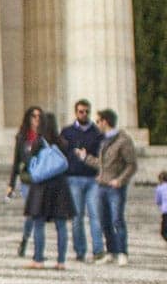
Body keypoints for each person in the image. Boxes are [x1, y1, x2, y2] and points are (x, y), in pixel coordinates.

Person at [21, 110, 76, 269]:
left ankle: (38, 259)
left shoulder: (38, 142)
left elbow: (30, 161)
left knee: (38, 224)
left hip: (41, 187)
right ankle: (61, 261)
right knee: (61, 225)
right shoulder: (63, 142)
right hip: (60, 187)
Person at [88, 108, 138, 265]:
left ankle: (122, 252)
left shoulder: (123, 140)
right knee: (105, 221)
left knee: (117, 220)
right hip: (102, 185)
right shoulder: (104, 141)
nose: (97, 124)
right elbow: (102, 164)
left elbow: (131, 165)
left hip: (115, 187)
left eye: (98, 121)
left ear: (105, 121)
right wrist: (86, 158)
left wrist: (120, 180)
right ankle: (111, 251)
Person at [60, 99, 106, 263]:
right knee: (77, 217)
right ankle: (80, 251)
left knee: (95, 215)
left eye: (86, 111)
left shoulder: (97, 133)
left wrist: (87, 157)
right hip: (73, 178)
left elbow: (102, 157)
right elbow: (61, 154)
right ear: (76, 112)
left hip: (92, 179)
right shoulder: (67, 132)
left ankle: (98, 250)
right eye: (81, 111)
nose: (84, 114)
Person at [6, 106, 44, 257]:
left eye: (39, 116)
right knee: (33, 212)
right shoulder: (22, 137)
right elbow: (16, 161)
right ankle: (26, 240)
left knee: (37, 214)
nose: (37, 119)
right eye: (34, 116)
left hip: (43, 180)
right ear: (28, 118)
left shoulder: (44, 137)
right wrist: (11, 184)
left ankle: (36, 249)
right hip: (28, 180)